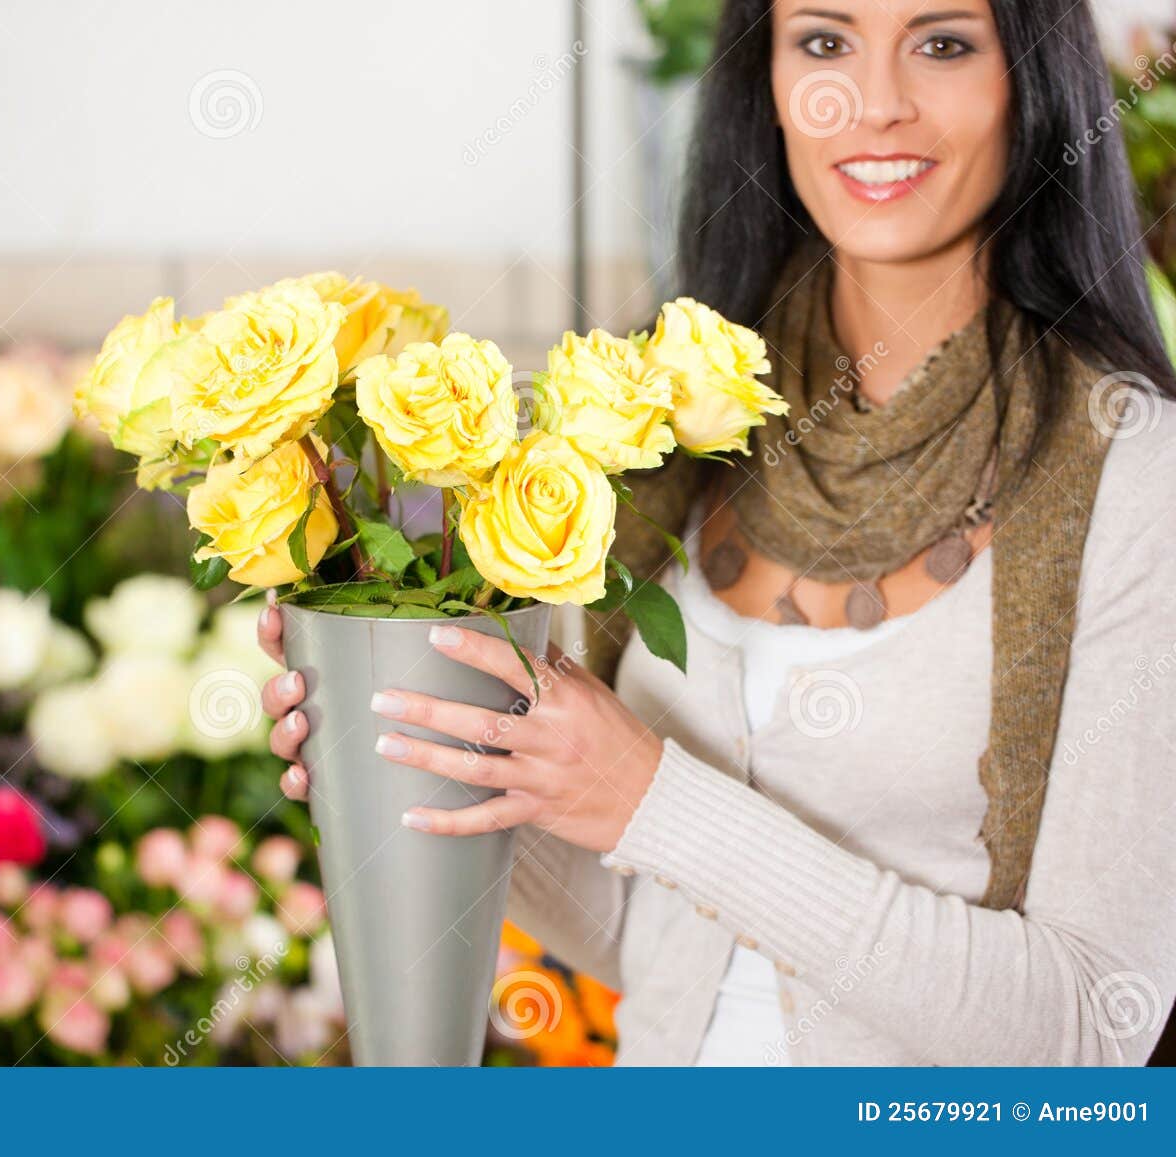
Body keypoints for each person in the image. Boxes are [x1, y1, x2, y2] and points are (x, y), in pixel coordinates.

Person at [258, 0, 1176, 1065]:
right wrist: (423, 764)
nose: (870, 102)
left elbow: (1091, 1023)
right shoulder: (682, 416)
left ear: (1031, 82)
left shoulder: (1136, 474)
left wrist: (653, 795)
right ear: (769, 87)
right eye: (824, 42)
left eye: (941, 43)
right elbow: (653, 932)